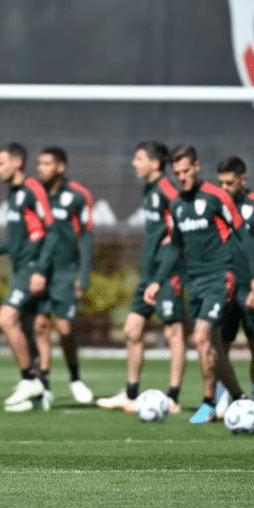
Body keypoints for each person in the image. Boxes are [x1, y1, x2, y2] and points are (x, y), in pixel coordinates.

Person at [143, 145, 254, 424]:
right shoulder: (176, 205)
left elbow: (243, 233)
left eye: (186, 171)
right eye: (177, 173)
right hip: (195, 282)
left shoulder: (216, 196)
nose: (182, 177)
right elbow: (175, 246)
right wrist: (156, 281)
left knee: (200, 337)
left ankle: (209, 401)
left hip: (221, 277)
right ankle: (241, 399)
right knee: (211, 346)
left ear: (197, 167)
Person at [98, 141, 187, 414]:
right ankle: (131, 393)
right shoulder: (149, 189)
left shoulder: (168, 189)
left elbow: (182, 224)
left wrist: (169, 246)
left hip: (168, 272)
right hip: (149, 273)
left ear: (155, 163)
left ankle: (173, 397)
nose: (134, 163)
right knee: (132, 330)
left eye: (139, 158)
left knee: (173, 331)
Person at [0, 143, 55, 412]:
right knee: (29, 328)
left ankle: (30, 379)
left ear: (18, 163)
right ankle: (37, 394)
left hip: (32, 268)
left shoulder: (33, 188)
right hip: (22, 267)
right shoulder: (15, 193)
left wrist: (40, 270)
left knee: (5, 319)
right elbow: (16, 241)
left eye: (0, 163)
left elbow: (52, 230)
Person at [215, 156, 254, 421]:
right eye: (221, 183)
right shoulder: (216, 204)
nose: (225, 188)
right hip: (224, 286)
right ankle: (219, 403)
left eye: (230, 183)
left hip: (252, 287)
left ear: (243, 178)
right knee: (221, 346)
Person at [29, 147, 95, 405]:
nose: (40, 168)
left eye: (46, 163)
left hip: (67, 272)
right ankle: (44, 385)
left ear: (60, 167)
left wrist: (84, 276)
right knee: (40, 326)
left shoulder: (78, 194)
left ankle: (75, 378)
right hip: (40, 271)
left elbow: (87, 236)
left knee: (65, 329)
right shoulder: (34, 193)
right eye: (39, 163)